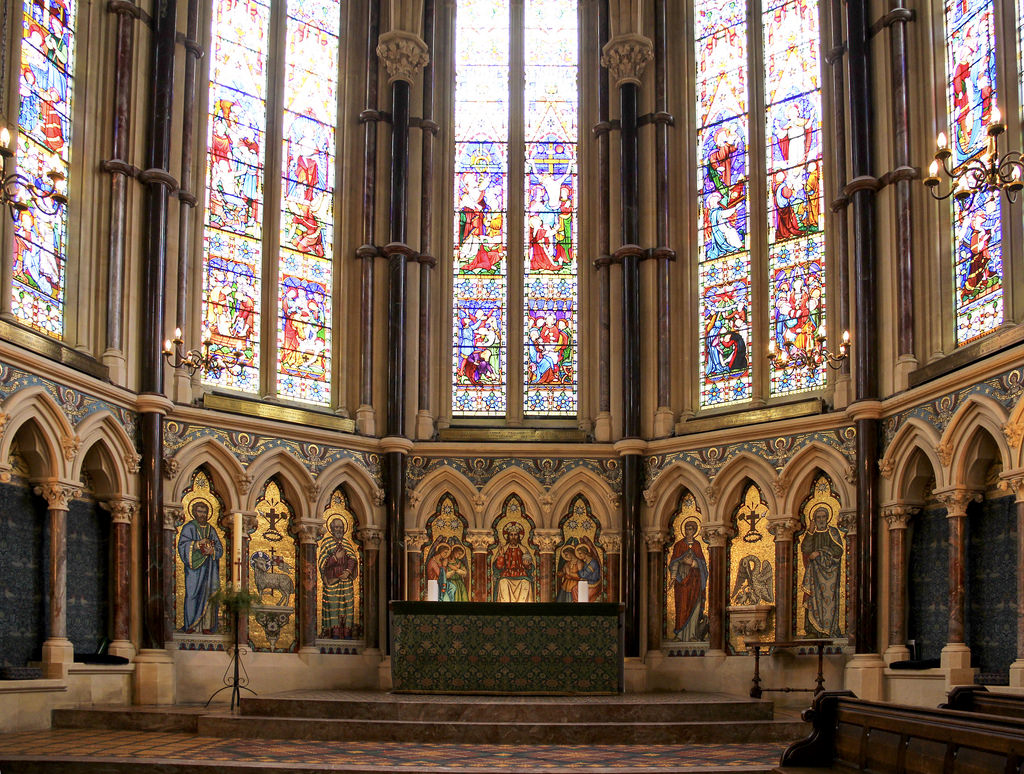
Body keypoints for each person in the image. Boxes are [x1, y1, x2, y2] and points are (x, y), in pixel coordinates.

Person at [177, 500, 224, 634]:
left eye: (204, 512)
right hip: (194, 569)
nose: (202, 515)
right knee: (192, 594)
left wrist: (213, 551)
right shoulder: (189, 527)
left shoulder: (211, 529)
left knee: (209, 595)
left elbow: (219, 548)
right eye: (199, 511)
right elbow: (182, 546)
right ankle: (191, 625)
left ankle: (206, 626)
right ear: (194, 513)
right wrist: (197, 544)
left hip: (210, 569)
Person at [800, 506, 844, 637]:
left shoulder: (833, 532)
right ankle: (813, 630)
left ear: (827, 518)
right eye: (818, 517)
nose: (821, 520)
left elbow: (839, 550)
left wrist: (821, 553)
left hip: (829, 574)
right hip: (814, 573)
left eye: (823, 517)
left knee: (828, 601)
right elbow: (805, 549)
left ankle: (828, 629)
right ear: (814, 519)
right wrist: (810, 533)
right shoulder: (812, 533)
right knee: (812, 598)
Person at [668, 520, 709, 641]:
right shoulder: (679, 545)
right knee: (682, 607)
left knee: (694, 607)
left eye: (690, 529)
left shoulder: (697, 545)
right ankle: (680, 634)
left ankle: (692, 634)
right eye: (686, 529)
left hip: (695, 582)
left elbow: (703, 565)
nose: (688, 531)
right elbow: (674, 562)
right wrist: (673, 577)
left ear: (695, 531)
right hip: (682, 583)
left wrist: (695, 563)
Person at [319, 517, 359, 638]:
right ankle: (333, 632)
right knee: (333, 606)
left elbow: (353, 559)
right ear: (331, 529)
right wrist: (335, 557)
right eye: (336, 527)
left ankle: (347, 632)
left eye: (341, 527)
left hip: (346, 582)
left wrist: (348, 571)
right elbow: (322, 563)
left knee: (347, 606)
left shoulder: (346, 543)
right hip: (332, 581)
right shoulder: (326, 543)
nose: (339, 529)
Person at [493, 521, 534, 602]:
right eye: (511, 535)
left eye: (515, 535)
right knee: (503, 582)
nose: (513, 537)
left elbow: (529, 566)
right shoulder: (504, 549)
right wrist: (501, 555)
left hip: (521, 574)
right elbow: (499, 567)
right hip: (507, 574)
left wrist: (527, 565)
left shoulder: (523, 550)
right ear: (508, 537)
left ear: (518, 536)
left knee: (525, 583)